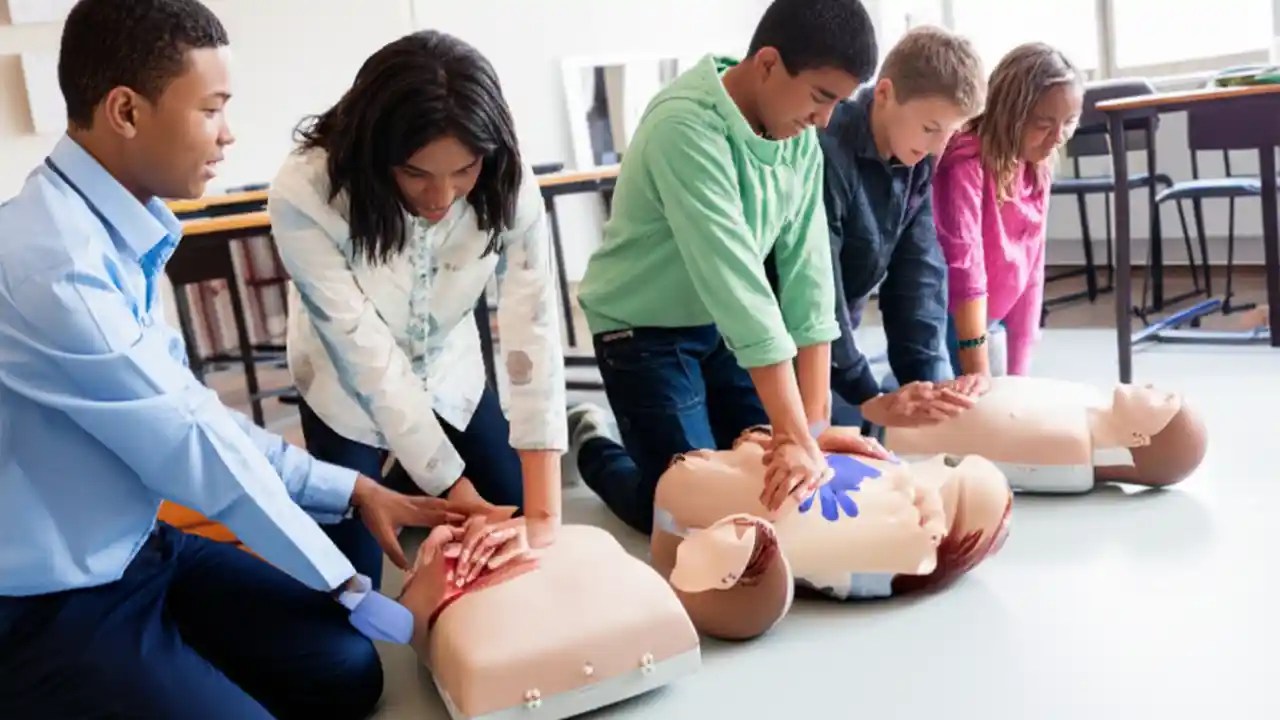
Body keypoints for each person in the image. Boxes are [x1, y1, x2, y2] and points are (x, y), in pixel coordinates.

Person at [0, 2, 519, 717]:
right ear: (125, 110)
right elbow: (195, 453)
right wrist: (356, 589)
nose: (228, 132)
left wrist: (353, 491)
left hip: (141, 548)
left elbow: (192, 413)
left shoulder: (118, 234)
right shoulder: (53, 268)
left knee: (346, 673)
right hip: (46, 602)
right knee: (338, 645)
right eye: (212, 109)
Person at [566, 0, 880, 535]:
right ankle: (595, 442)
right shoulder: (683, 127)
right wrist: (794, 433)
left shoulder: (800, 139)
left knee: (762, 477)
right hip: (640, 331)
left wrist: (812, 427)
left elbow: (809, 278)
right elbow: (737, 283)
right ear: (767, 64)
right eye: (821, 97)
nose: (826, 120)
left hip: (718, 328)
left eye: (839, 103)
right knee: (686, 510)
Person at [268, 29, 567, 588]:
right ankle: (408, 476)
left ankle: (425, 473)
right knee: (347, 586)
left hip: (451, 374)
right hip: (346, 388)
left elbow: (535, 333)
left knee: (522, 532)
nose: (441, 197)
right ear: (375, 152)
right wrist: (455, 491)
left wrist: (542, 519)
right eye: (416, 173)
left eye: (464, 170)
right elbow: (369, 361)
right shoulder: (307, 191)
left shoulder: (508, 181)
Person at [819, 26, 989, 431]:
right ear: (884, 94)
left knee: (927, 419)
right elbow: (816, 292)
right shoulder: (826, 151)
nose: (937, 148)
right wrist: (868, 395)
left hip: (838, 345)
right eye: (931, 128)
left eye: (950, 133)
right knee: (849, 437)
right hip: (785, 349)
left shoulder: (916, 156)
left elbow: (920, 274)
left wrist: (933, 384)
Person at [933, 42, 1084, 377]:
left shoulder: (1037, 167)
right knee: (963, 415)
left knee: (1005, 398)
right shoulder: (967, 165)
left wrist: (1019, 372)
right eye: (1044, 124)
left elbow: (1032, 271)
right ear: (1011, 114)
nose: (1058, 137)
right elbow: (964, 266)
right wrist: (977, 367)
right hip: (951, 318)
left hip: (990, 319)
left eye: (1070, 122)